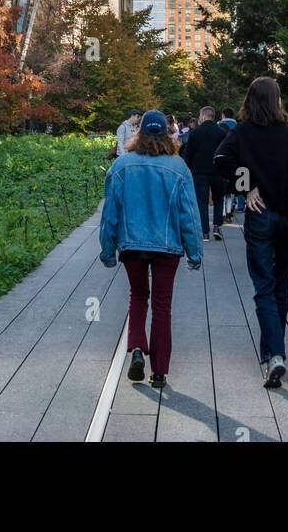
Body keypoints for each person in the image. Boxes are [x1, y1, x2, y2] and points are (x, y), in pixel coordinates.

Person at [214, 76, 288, 390]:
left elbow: (220, 161)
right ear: (277, 101)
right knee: (282, 286)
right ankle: (275, 353)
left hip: (259, 217)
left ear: (250, 100)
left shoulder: (241, 133)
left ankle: (274, 355)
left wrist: (247, 186)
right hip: (287, 218)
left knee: (263, 286)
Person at [100, 109, 203, 388]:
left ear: (140, 132)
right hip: (167, 247)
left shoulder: (122, 166)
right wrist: (195, 252)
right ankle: (159, 372)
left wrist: (107, 249)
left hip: (131, 245)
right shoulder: (178, 167)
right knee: (162, 305)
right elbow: (189, 214)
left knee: (137, 296)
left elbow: (110, 211)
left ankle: (135, 348)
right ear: (167, 134)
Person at [182, 106, 228, 242]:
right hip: (217, 171)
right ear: (213, 117)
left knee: (201, 201)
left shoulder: (195, 133)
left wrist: (188, 169)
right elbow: (226, 153)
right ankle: (217, 227)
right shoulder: (221, 133)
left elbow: (188, 154)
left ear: (202, 116)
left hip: (199, 172)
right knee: (219, 199)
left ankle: (205, 232)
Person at [218, 108, 240, 220]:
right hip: (235, 161)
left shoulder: (218, 125)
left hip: (221, 159)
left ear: (223, 115)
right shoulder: (238, 126)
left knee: (222, 190)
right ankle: (229, 210)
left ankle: (222, 212)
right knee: (231, 190)